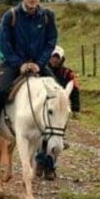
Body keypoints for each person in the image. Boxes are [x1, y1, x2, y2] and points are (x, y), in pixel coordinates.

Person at [0, 0, 57, 145]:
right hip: (13, 64)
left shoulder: (47, 16)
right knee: (0, 91)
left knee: (58, 92)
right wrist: (19, 63)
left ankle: (58, 132)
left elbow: (51, 41)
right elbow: (4, 43)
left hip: (39, 64)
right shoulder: (11, 15)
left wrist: (39, 62)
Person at [34, 45, 80, 179]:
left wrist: (76, 108)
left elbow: (75, 90)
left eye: (57, 58)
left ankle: (50, 167)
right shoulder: (42, 70)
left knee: (56, 139)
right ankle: (39, 163)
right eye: (53, 57)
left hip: (60, 111)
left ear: (61, 59)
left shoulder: (67, 73)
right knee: (42, 138)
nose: (54, 60)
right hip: (45, 109)